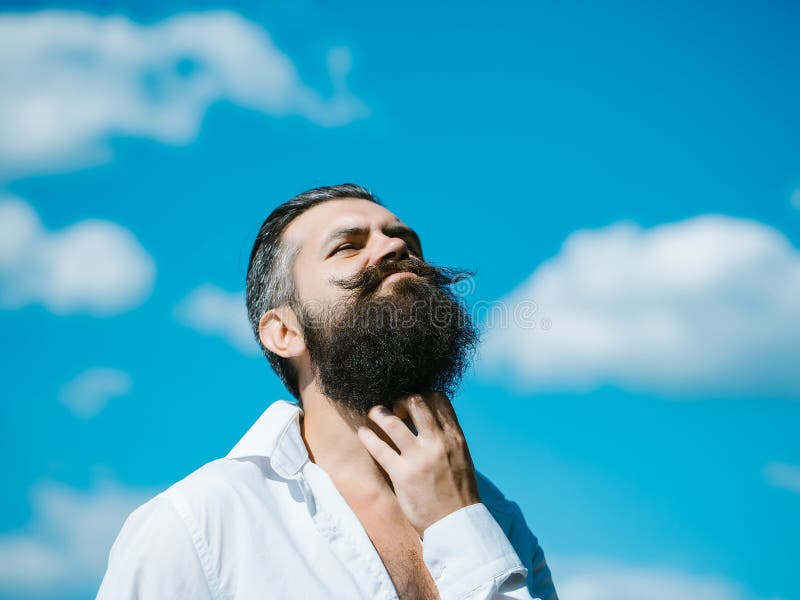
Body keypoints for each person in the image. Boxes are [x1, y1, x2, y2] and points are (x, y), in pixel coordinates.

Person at [97, 184, 559, 600]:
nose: (395, 246)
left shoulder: (498, 517)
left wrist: (461, 524)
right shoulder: (197, 526)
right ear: (284, 331)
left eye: (405, 240)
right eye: (348, 246)